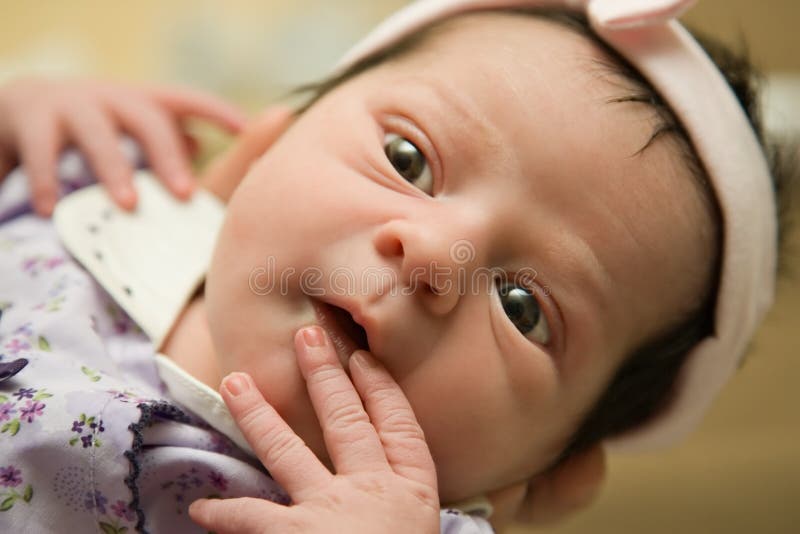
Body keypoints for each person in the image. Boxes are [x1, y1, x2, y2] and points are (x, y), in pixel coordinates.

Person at [0, 0, 787, 532]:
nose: (441, 258)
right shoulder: (82, 197)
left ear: (549, 475)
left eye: (523, 307)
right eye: (407, 159)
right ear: (264, 150)